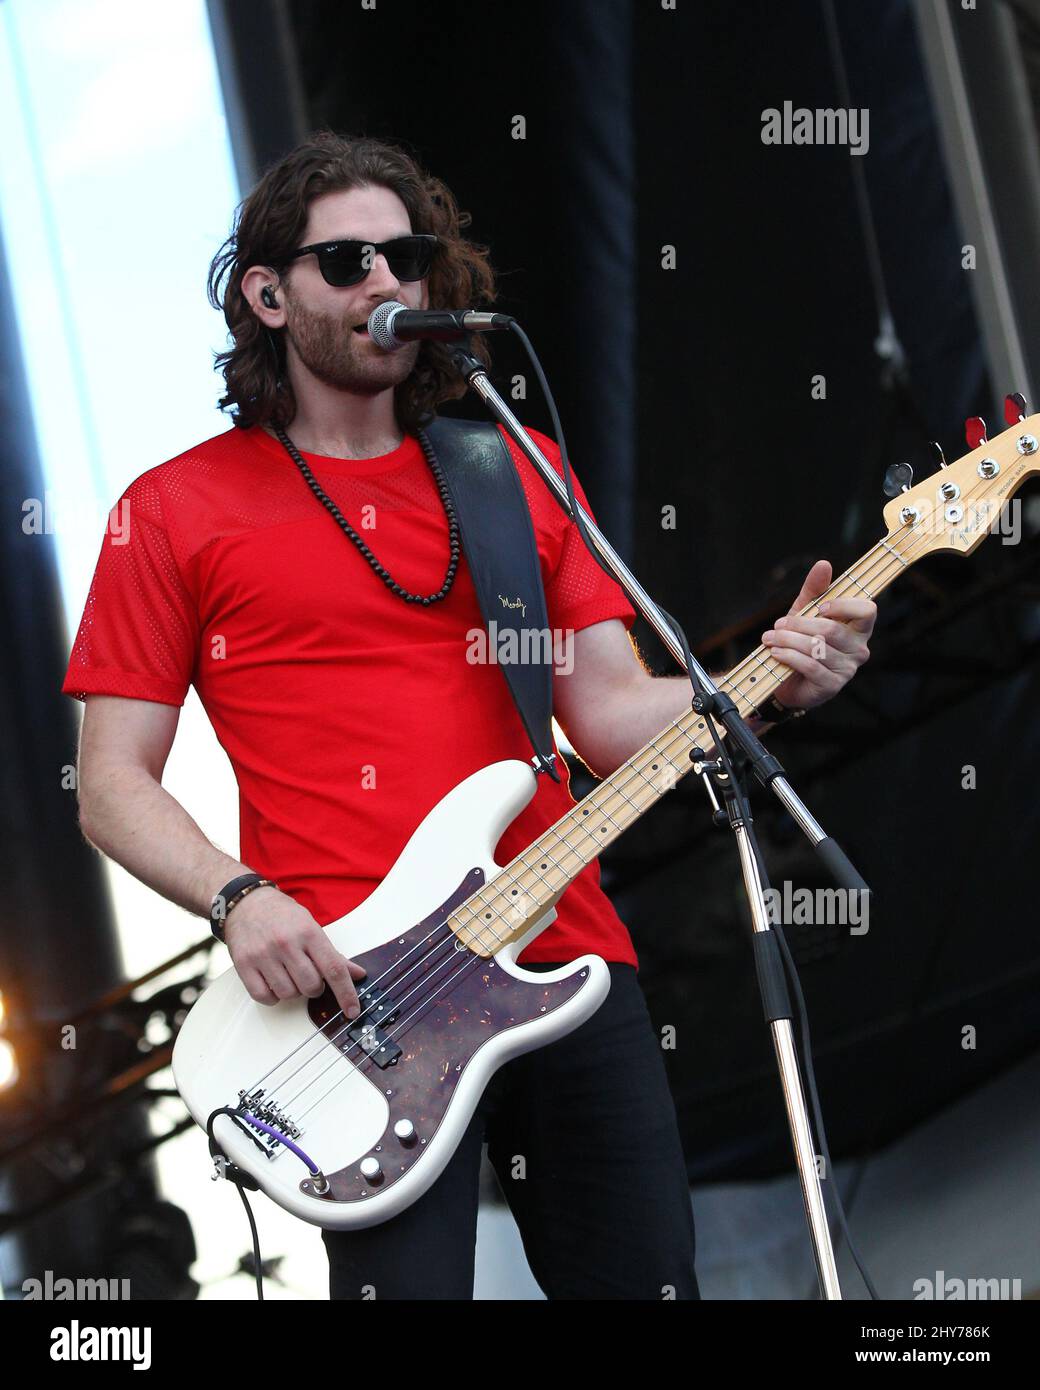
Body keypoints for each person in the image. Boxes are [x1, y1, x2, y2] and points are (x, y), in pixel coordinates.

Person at [61, 130, 877, 1300]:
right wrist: (239, 898)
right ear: (266, 294)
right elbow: (110, 782)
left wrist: (769, 680)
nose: (385, 282)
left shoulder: (514, 471)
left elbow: (604, 715)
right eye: (345, 261)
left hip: (561, 953)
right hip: (351, 1002)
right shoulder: (174, 510)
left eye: (407, 256)